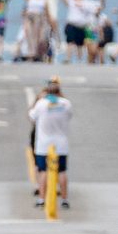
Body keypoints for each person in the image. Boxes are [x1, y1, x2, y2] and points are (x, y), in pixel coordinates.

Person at [29, 76, 72, 207]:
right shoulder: (66, 103)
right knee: (62, 171)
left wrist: (38, 99)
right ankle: (64, 200)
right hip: (61, 143)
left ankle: (42, 199)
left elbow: (31, 116)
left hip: (43, 143)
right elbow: (69, 116)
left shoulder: (41, 104)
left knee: (43, 171)